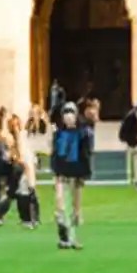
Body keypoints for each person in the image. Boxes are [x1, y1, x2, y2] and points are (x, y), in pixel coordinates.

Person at [51, 102, 93, 250]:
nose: (68, 117)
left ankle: (74, 236)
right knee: (60, 206)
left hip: (76, 173)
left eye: (71, 113)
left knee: (76, 209)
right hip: (62, 172)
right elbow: (55, 154)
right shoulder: (58, 133)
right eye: (66, 113)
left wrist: (84, 174)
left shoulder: (83, 133)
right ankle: (64, 237)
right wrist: (55, 172)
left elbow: (86, 154)